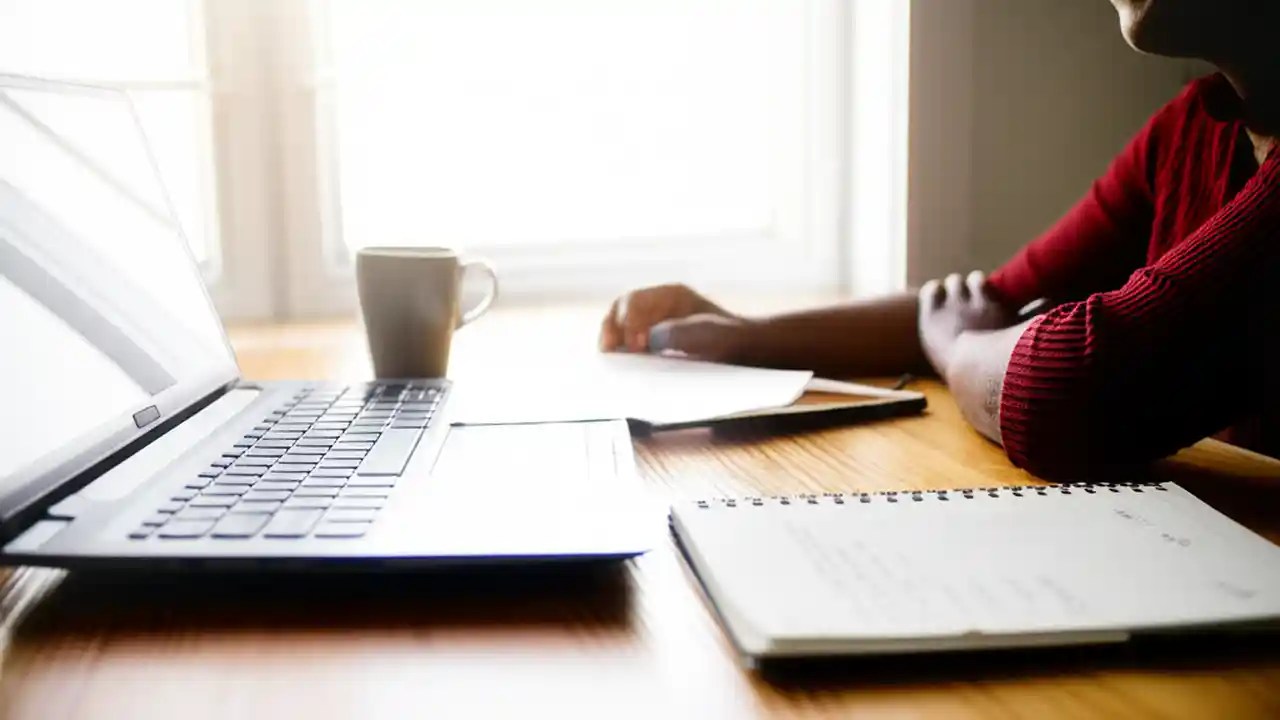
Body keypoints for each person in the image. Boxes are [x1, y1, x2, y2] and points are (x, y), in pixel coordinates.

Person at [597, 0, 1280, 480]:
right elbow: (991, 303)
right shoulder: (1193, 130)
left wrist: (957, 345)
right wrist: (744, 337)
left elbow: (1068, 392)